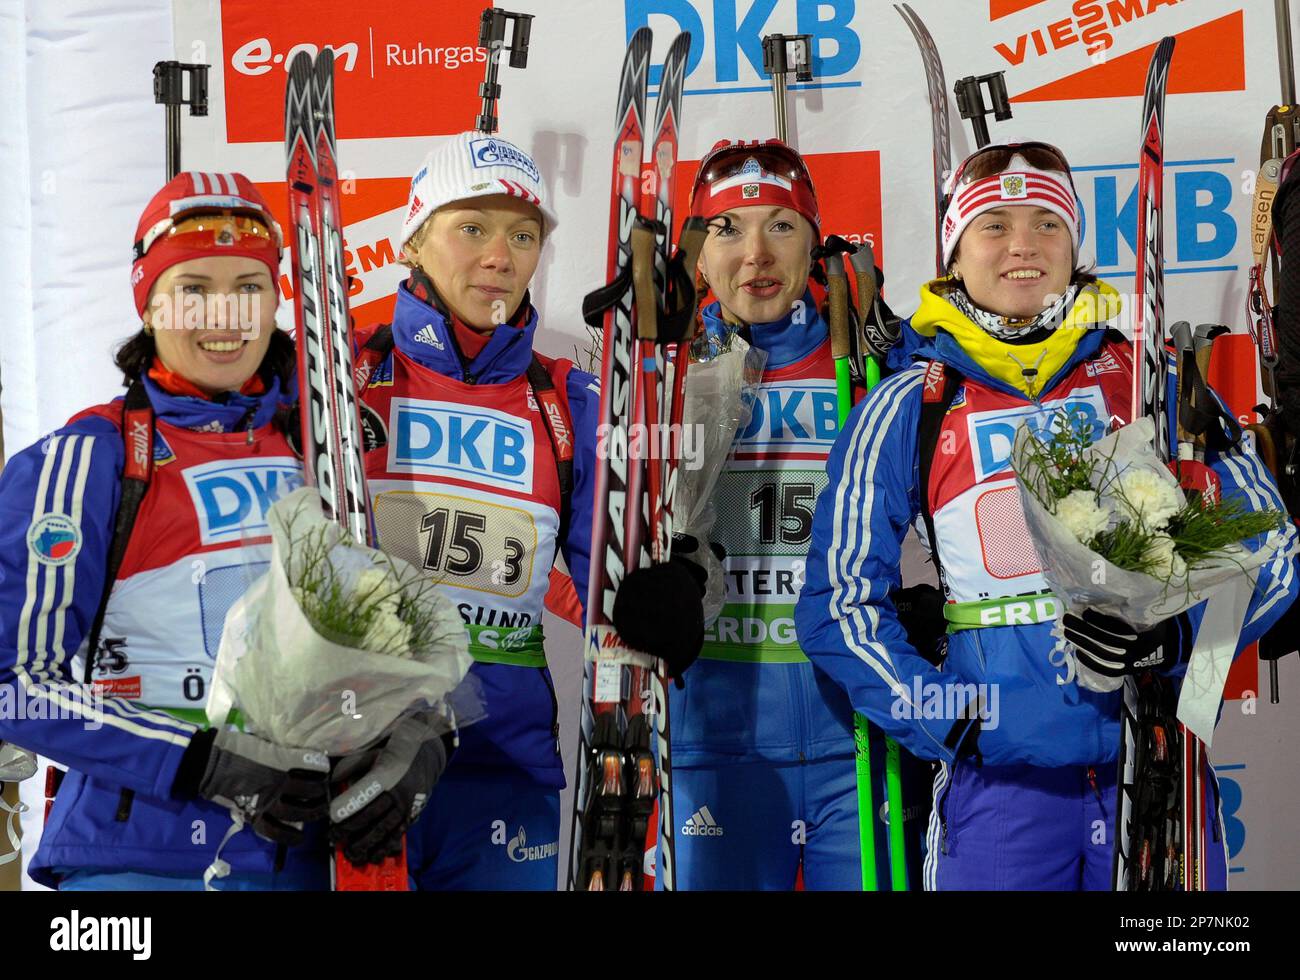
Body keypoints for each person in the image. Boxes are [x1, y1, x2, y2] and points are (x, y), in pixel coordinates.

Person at [794, 141, 1300, 890]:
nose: (1023, 246)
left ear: (1074, 245)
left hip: (1158, 771)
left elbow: (1276, 554)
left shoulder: (1148, 381)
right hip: (1002, 794)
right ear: (954, 252)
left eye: (1047, 224)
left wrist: (1178, 633)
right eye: (993, 225)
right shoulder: (913, 403)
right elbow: (838, 605)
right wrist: (950, 718)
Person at [352, 131, 700, 890]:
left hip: (502, 764)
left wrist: (657, 599)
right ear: (411, 242)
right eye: (470, 228)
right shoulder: (345, 375)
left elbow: (591, 586)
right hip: (360, 761)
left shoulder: (566, 402)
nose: (498, 257)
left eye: (522, 235)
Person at [0, 172, 332, 890]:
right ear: (149, 307)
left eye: (249, 286)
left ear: (276, 304)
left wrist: (412, 738)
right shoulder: (91, 458)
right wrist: (197, 759)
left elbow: (379, 639)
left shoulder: (322, 451)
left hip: (300, 856)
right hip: (138, 856)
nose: (225, 313)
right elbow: (13, 686)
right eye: (193, 289)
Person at [652, 139, 907, 890]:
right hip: (714, 749)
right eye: (727, 229)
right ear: (697, 254)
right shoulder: (659, 377)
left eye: (781, 226)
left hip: (856, 744)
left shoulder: (871, 364)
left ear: (816, 242)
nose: (755, 253)